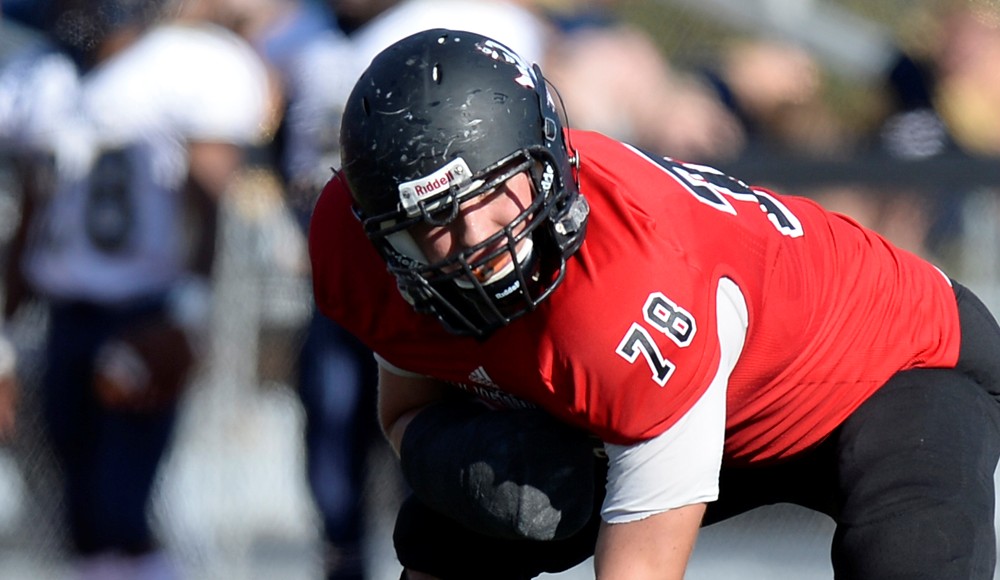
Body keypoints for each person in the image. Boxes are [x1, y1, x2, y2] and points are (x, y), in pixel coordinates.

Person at [308, 28, 1000, 580]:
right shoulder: (354, 246)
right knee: (468, 516)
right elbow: (409, 414)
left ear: (547, 164)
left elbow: (640, 571)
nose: (473, 242)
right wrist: (467, 474)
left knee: (909, 560)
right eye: (433, 222)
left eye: (492, 195)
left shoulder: (628, 289)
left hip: (891, 365)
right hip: (700, 392)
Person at [0, 0, 271, 577]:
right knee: (78, 507)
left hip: (146, 312)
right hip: (66, 315)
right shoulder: (45, 78)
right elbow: (29, 217)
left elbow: (210, 203)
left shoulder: (181, 66)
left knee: (120, 505)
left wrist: (188, 312)